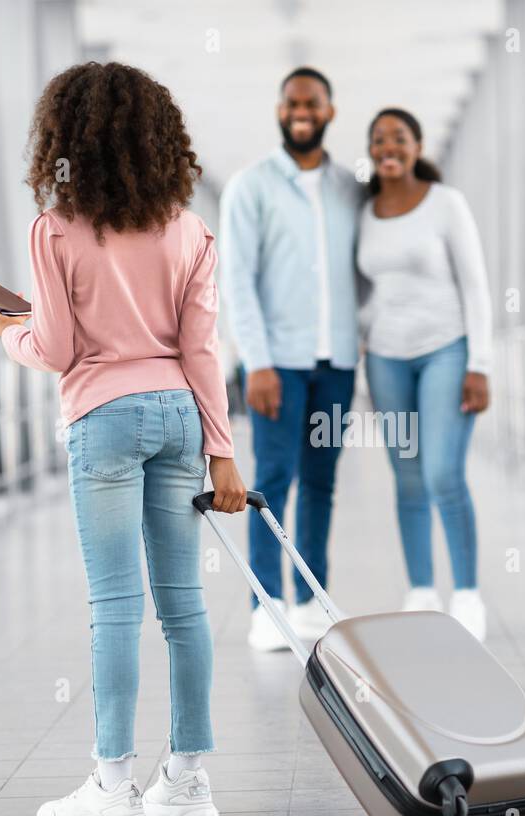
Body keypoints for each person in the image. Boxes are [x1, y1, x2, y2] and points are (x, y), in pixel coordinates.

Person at [0, 62, 246, 816]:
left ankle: (114, 789)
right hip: (180, 417)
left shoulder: (55, 228)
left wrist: (7, 334)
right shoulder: (190, 229)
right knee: (184, 606)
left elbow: (58, 348)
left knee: (115, 608)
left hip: (105, 416)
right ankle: (188, 779)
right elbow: (201, 350)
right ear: (159, 138)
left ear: (64, 140)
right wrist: (222, 450)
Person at [219, 67, 362, 651]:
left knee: (322, 482)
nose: (300, 110)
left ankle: (310, 600)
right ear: (280, 112)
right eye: (291, 103)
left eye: (312, 103)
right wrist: (257, 361)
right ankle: (265, 604)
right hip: (277, 363)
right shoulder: (250, 187)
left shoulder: (352, 188)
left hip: (337, 363)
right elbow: (238, 282)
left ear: (329, 111)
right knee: (273, 481)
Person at [357, 108, 493, 640]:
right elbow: (365, 290)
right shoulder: (365, 212)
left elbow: (477, 286)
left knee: (442, 472)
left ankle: (467, 594)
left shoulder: (446, 205)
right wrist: (364, 332)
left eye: (399, 137)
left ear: (417, 145)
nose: (388, 146)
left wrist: (480, 364)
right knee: (407, 475)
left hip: (447, 350)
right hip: (387, 358)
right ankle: (420, 591)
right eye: (378, 139)